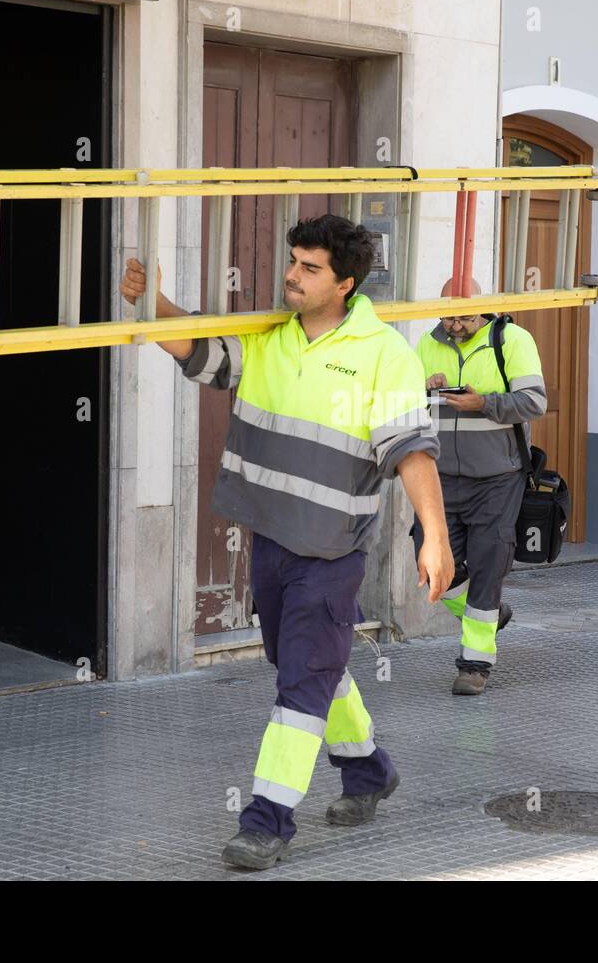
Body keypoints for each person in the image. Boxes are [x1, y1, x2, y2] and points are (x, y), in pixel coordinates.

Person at [120, 214, 454, 870]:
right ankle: (368, 770)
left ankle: (267, 821)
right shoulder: (273, 335)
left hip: (332, 552)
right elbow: (201, 352)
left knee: (301, 680)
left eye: (309, 268)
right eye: (292, 261)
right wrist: (151, 303)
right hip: (271, 540)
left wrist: (434, 536)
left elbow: (414, 452)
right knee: (305, 665)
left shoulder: (385, 354)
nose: (291, 276)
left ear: (345, 284)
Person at [414, 278, 547, 695]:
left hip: (497, 476)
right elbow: (402, 403)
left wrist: (484, 403)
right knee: (430, 558)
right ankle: (489, 613)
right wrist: (425, 390)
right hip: (439, 475)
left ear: (483, 309)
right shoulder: (425, 344)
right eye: (449, 316)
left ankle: (474, 665)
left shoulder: (512, 340)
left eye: (465, 317)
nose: (455, 325)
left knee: (488, 562)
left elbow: (534, 403)